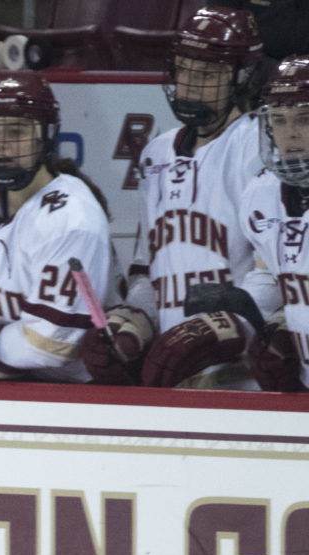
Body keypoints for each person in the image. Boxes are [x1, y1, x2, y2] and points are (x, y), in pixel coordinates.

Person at [82, 6, 267, 390]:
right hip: (170, 365)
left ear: (241, 77)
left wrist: (233, 325)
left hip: (243, 371)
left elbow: (278, 271)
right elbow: (148, 271)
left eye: (208, 74)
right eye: (184, 70)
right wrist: (134, 321)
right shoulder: (156, 154)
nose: (191, 85)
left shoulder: (258, 145)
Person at [0, 73, 114, 384]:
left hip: (76, 392)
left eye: (16, 131)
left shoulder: (72, 219)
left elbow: (50, 347)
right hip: (9, 377)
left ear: (45, 137)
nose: (1, 145)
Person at [240, 55, 309, 391]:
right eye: (279, 120)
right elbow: (270, 272)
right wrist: (243, 319)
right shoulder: (261, 194)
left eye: (304, 119)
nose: (290, 133)